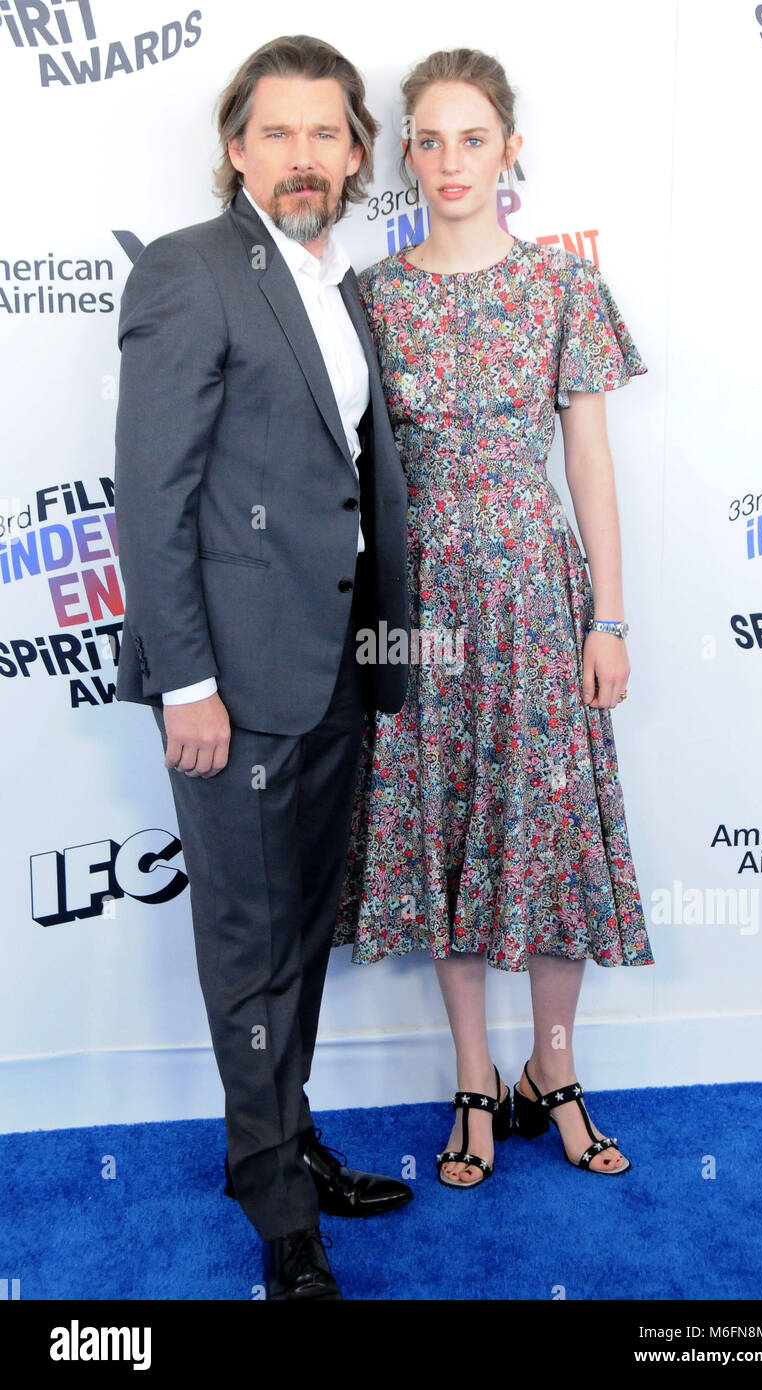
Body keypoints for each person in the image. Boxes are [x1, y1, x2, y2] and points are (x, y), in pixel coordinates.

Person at [114, 34, 413, 1300]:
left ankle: (283, 1141)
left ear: (355, 155)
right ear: (237, 147)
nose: (305, 156)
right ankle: (278, 1210)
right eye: (278, 132)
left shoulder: (338, 284)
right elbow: (153, 492)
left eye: (327, 133)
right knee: (249, 944)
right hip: (230, 688)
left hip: (336, 669)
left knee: (297, 934)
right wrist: (186, 683)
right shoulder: (192, 273)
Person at [334, 47, 655, 1188]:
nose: (450, 160)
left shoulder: (562, 288)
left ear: (511, 149)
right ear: (405, 153)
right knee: (447, 831)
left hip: (535, 593)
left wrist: (607, 620)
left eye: (474, 137)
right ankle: (475, 1075)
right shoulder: (367, 298)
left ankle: (553, 1071)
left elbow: (590, 462)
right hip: (419, 603)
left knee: (552, 835)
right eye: (428, 138)